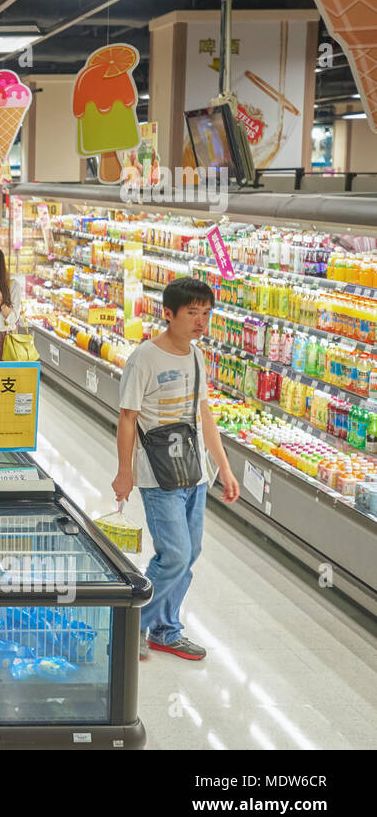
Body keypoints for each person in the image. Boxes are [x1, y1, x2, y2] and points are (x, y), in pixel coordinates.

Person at [112, 277, 240, 662]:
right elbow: (127, 418)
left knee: (190, 553)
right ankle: (131, 626)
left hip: (195, 473)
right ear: (168, 314)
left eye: (206, 313)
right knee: (175, 555)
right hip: (159, 475)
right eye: (192, 313)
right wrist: (124, 471)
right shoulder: (145, 357)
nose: (200, 321)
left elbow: (204, 414)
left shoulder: (197, 356)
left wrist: (224, 467)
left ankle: (165, 630)